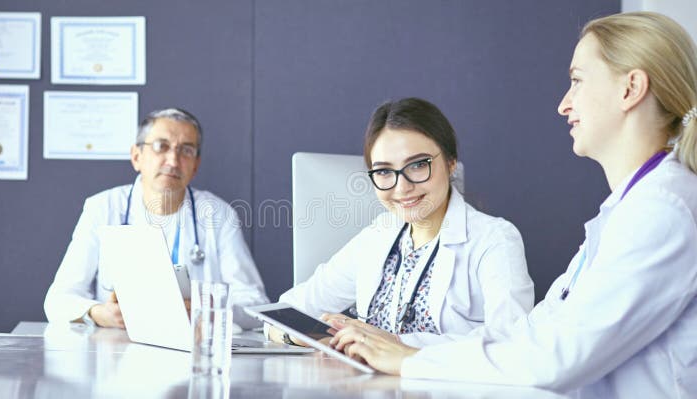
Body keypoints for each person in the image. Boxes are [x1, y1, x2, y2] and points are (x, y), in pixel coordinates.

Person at [330, 12, 697, 398]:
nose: (563, 104)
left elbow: (553, 359)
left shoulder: (663, 210)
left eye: (576, 80)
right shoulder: (634, 207)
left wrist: (408, 361)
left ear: (630, 88)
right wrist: (403, 349)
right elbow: (532, 335)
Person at [270, 98, 535, 346]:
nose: (402, 187)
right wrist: (305, 336)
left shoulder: (494, 239)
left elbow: (512, 342)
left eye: (418, 165)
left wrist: (388, 342)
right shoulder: (378, 236)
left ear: (451, 162)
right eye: (384, 171)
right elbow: (285, 311)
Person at [44, 108, 269, 329]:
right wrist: (99, 313)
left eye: (186, 150)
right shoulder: (103, 208)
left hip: (193, 351)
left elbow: (255, 305)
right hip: (117, 351)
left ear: (196, 165)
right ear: (136, 156)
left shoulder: (218, 214)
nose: (173, 160)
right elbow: (58, 300)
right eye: (161, 147)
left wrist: (205, 309)